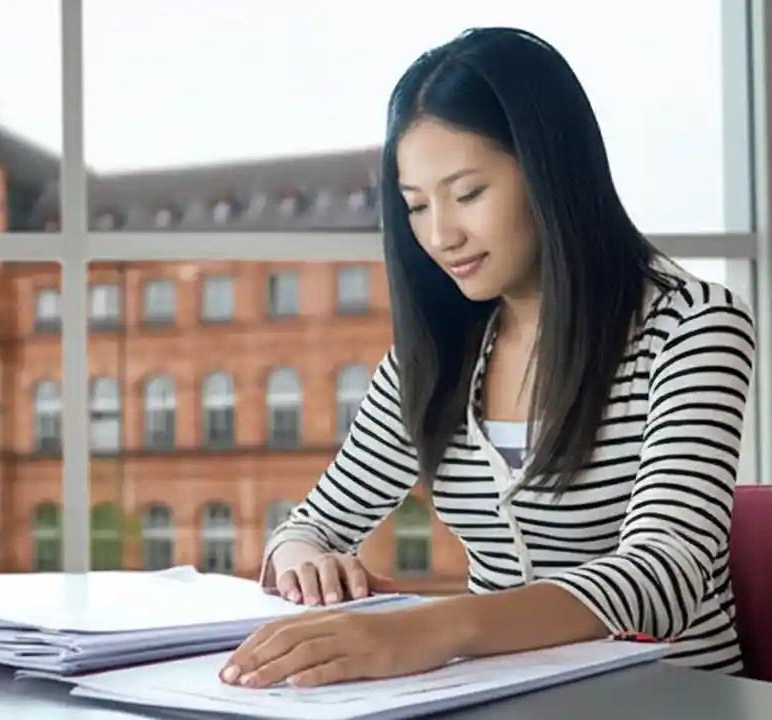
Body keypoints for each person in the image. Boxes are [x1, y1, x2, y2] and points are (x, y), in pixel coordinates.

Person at [221, 26, 756, 689]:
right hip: (500, 701)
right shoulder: (439, 353)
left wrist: (431, 628)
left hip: (677, 700)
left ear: (549, 170)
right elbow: (310, 527)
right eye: (416, 206)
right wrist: (310, 562)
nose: (440, 235)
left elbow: (663, 575)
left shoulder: (693, 325)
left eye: (468, 193)